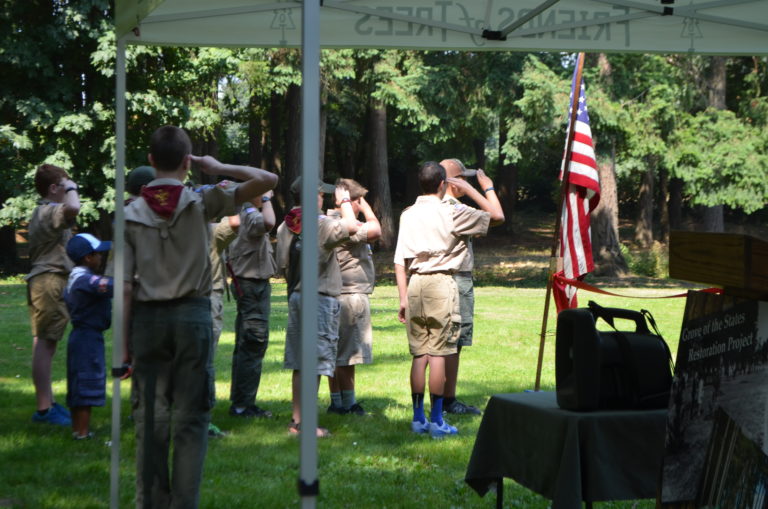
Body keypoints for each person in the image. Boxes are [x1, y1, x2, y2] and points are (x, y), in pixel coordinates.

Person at [122, 125, 277, 508]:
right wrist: (219, 165)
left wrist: (123, 350)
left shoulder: (126, 215)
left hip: (147, 320)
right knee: (191, 420)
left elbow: (124, 287)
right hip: (194, 315)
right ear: (188, 162)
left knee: (151, 421)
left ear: (151, 160)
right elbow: (267, 180)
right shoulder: (203, 200)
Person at [394, 161, 490, 438]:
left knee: (419, 353)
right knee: (439, 353)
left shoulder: (408, 214)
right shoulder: (452, 212)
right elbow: (496, 215)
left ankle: (417, 418)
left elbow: (400, 260)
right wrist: (478, 189)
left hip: (415, 284)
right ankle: (437, 420)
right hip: (441, 282)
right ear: (442, 184)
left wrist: (402, 297)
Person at [276, 176, 358, 437]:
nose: (325, 199)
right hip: (319, 299)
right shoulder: (321, 224)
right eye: (323, 195)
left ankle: (297, 421)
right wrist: (345, 200)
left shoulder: (286, 226)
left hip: (298, 296)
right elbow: (352, 226)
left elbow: (281, 265)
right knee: (315, 363)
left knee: (301, 363)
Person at [439, 159, 504, 415]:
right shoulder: (456, 208)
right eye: (463, 179)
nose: (466, 183)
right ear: (454, 183)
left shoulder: (422, 208)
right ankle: (448, 399)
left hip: (429, 280)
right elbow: (497, 216)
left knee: (433, 344)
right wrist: (484, 189)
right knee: (455, 342)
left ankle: (431, 400)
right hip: (456, 279)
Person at [27, 163, 81, 426]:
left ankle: (47, 404)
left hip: (49, 279)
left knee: (45, 343)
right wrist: (71, 187)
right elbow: (74, 207)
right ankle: (44, 409)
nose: (71, 189)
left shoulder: (45, 212)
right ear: (53, 188)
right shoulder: (48, 211)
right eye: (64, 185)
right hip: (48, 280)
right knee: (46, 344)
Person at [326, 178, 381, 416]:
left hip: (339, 294)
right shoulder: (343, 224)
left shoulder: (330, 222)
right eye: (360, 200)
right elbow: (376, 230)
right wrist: (363, 206)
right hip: (349, 295)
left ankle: (337, 402)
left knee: (337, 352)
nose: (363, 204)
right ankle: (348, 405)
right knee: (347, 354)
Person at [227, 189, 276, 419]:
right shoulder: (249, 213)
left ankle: (241, 402)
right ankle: (243, 405)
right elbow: (268, 222)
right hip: (252, 287)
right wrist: (265, 198)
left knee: (246, 344)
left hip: (248, 285)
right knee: (253, 343)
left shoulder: (243, 213)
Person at [63, 233, 113, 439]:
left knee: (77, 383)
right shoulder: (86, 280)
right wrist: (130, 280)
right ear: (88, 258)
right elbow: (110, 287)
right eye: (98, 254)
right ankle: (82, 433)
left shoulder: (75, 278)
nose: (102, 257)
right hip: (88, 339)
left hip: (80, 337)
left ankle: (78, 430)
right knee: (86, 383)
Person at [206, 214, 240, 438]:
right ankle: (202, 421)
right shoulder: (210, 229)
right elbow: (236, 222)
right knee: (203, 361)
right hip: (205, 297)